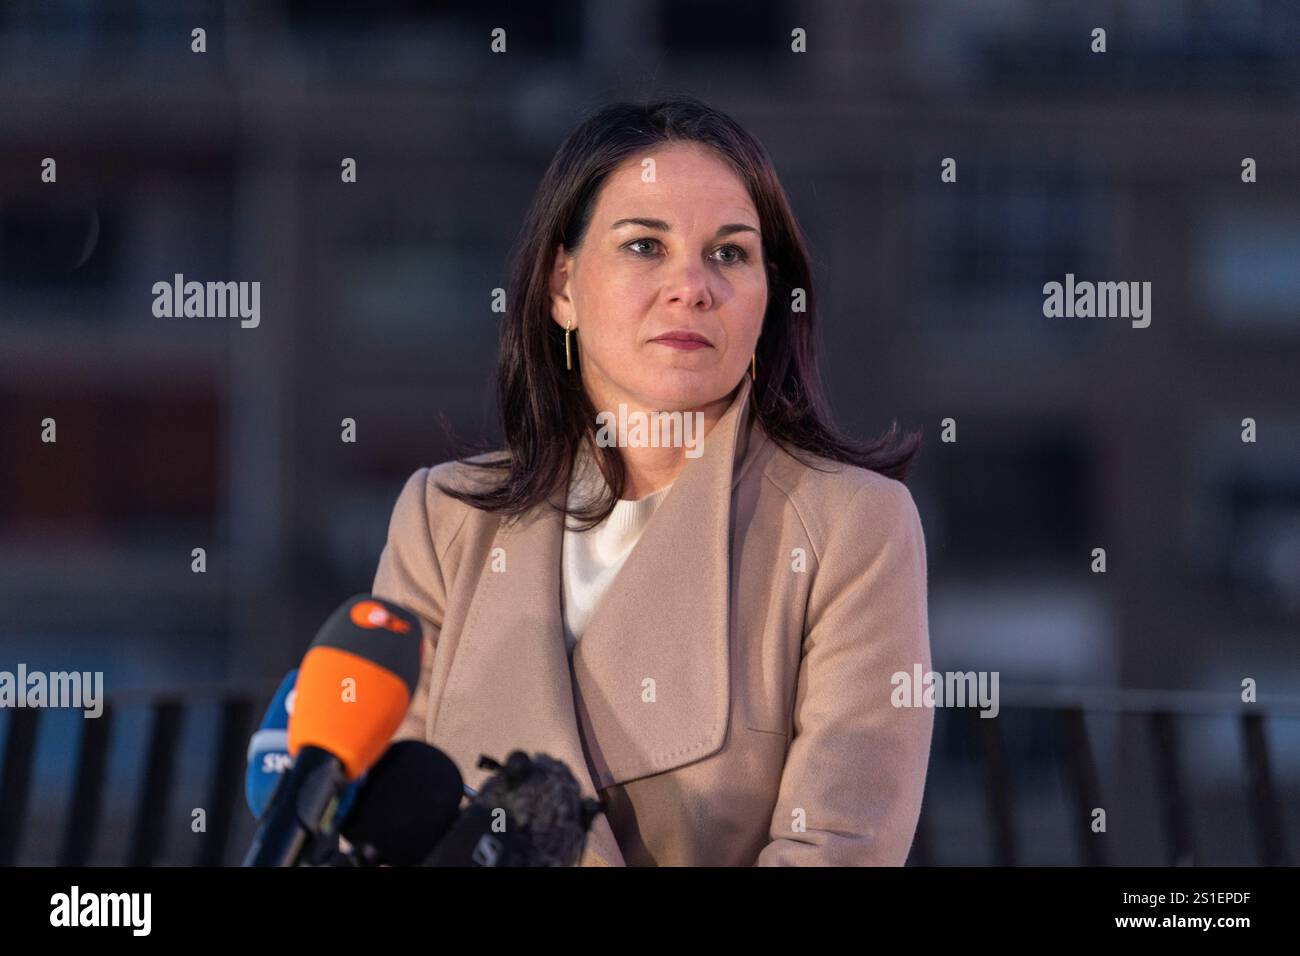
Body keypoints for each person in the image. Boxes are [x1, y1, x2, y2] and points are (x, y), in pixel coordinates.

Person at [372, 94, 933, 866]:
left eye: (730, 254)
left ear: (770, 301)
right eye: (645, 246)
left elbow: (836, 848)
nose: (692, 285)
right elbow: (388, 821)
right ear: (562, 286)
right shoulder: (445, 520)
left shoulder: (852, 527)